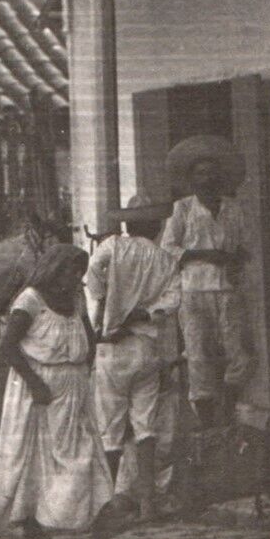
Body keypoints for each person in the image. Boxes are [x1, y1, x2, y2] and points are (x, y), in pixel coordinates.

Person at [0, 243, 113, 539]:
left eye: (80, 272)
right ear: (54, 270)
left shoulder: (76, 299)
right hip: (38, 385)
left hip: (73, 384)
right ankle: (34, 522)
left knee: (82, 449)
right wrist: (36, 384)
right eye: (71, 271)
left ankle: (86, 516)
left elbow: (87, 335)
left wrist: (84, 367)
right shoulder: (30, 301)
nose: (76, 277)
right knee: (36, 457)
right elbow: (7, 347)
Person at [86, 194, 180, 521]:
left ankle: (108, 501)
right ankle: (147, 501)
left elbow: (93, 272)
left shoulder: (111, 248)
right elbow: (172, 301)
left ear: (128, 224)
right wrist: (145, 312)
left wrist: (104, 300)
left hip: (113, 346)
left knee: (110, 427)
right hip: (145, 346)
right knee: (145, 424)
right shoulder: (165, 259)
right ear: (156, 226)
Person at [159, 135, 253, 428]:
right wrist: (203, 254)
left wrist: (236, 260)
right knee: (198, 355)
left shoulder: (232, 209)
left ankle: (228, 407)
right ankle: (207, 421)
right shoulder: (182, 209)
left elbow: (245, 247)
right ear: (191, 179)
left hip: (227, 289)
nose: (207, 178)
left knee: (238, 353)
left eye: (212, 172)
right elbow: (168, 248)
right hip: (194, 291)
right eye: (200, 173)